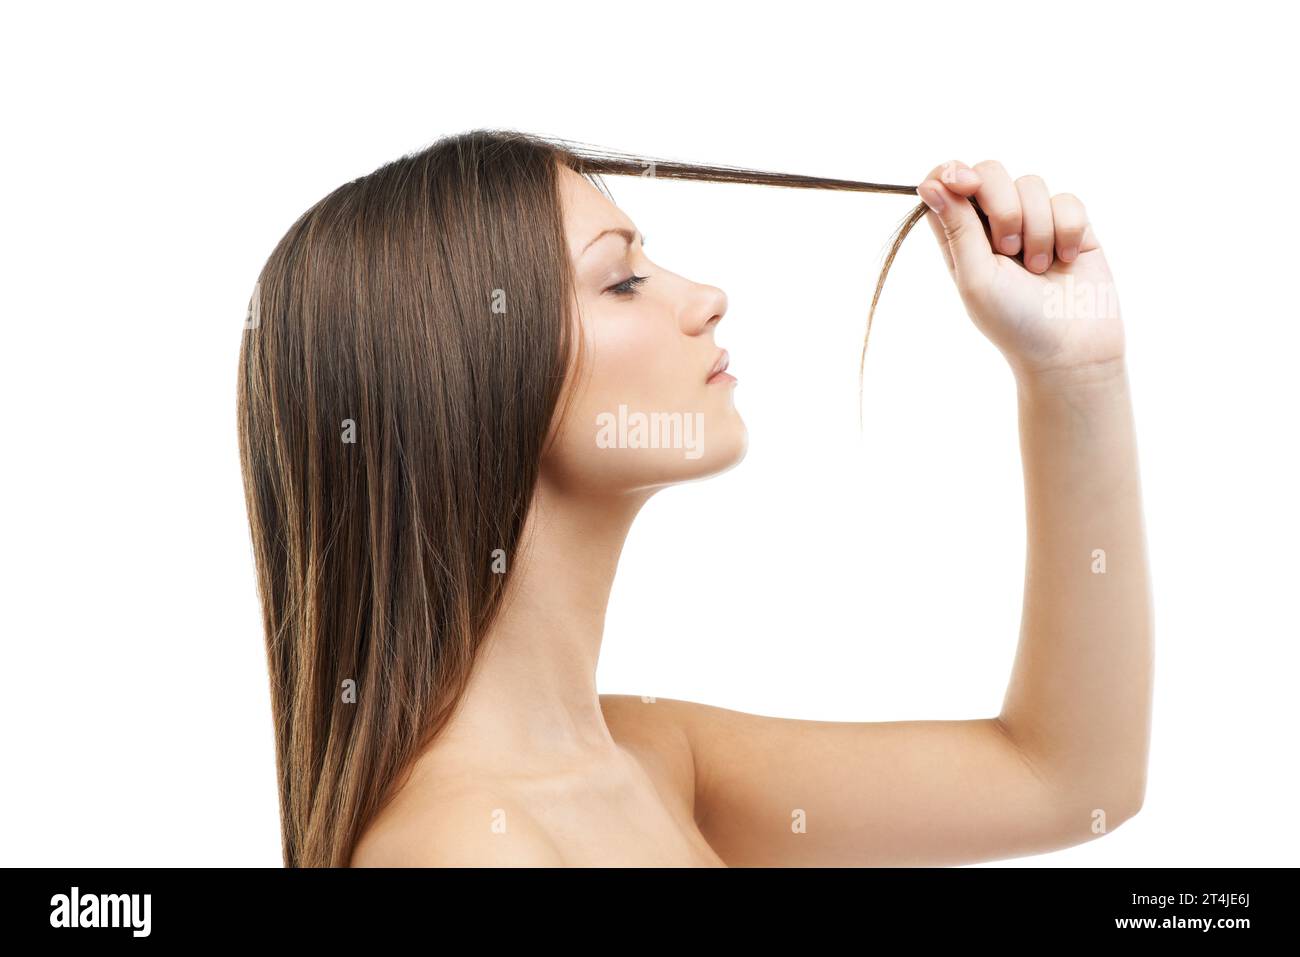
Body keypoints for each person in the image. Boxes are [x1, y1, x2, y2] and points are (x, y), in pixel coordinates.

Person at [237, 131, 1152, 867]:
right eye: (622, 278)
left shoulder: (650, 762)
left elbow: (1068, 776)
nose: (706, 298)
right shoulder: (461, 847)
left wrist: (1075, 372)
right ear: (464, 381)